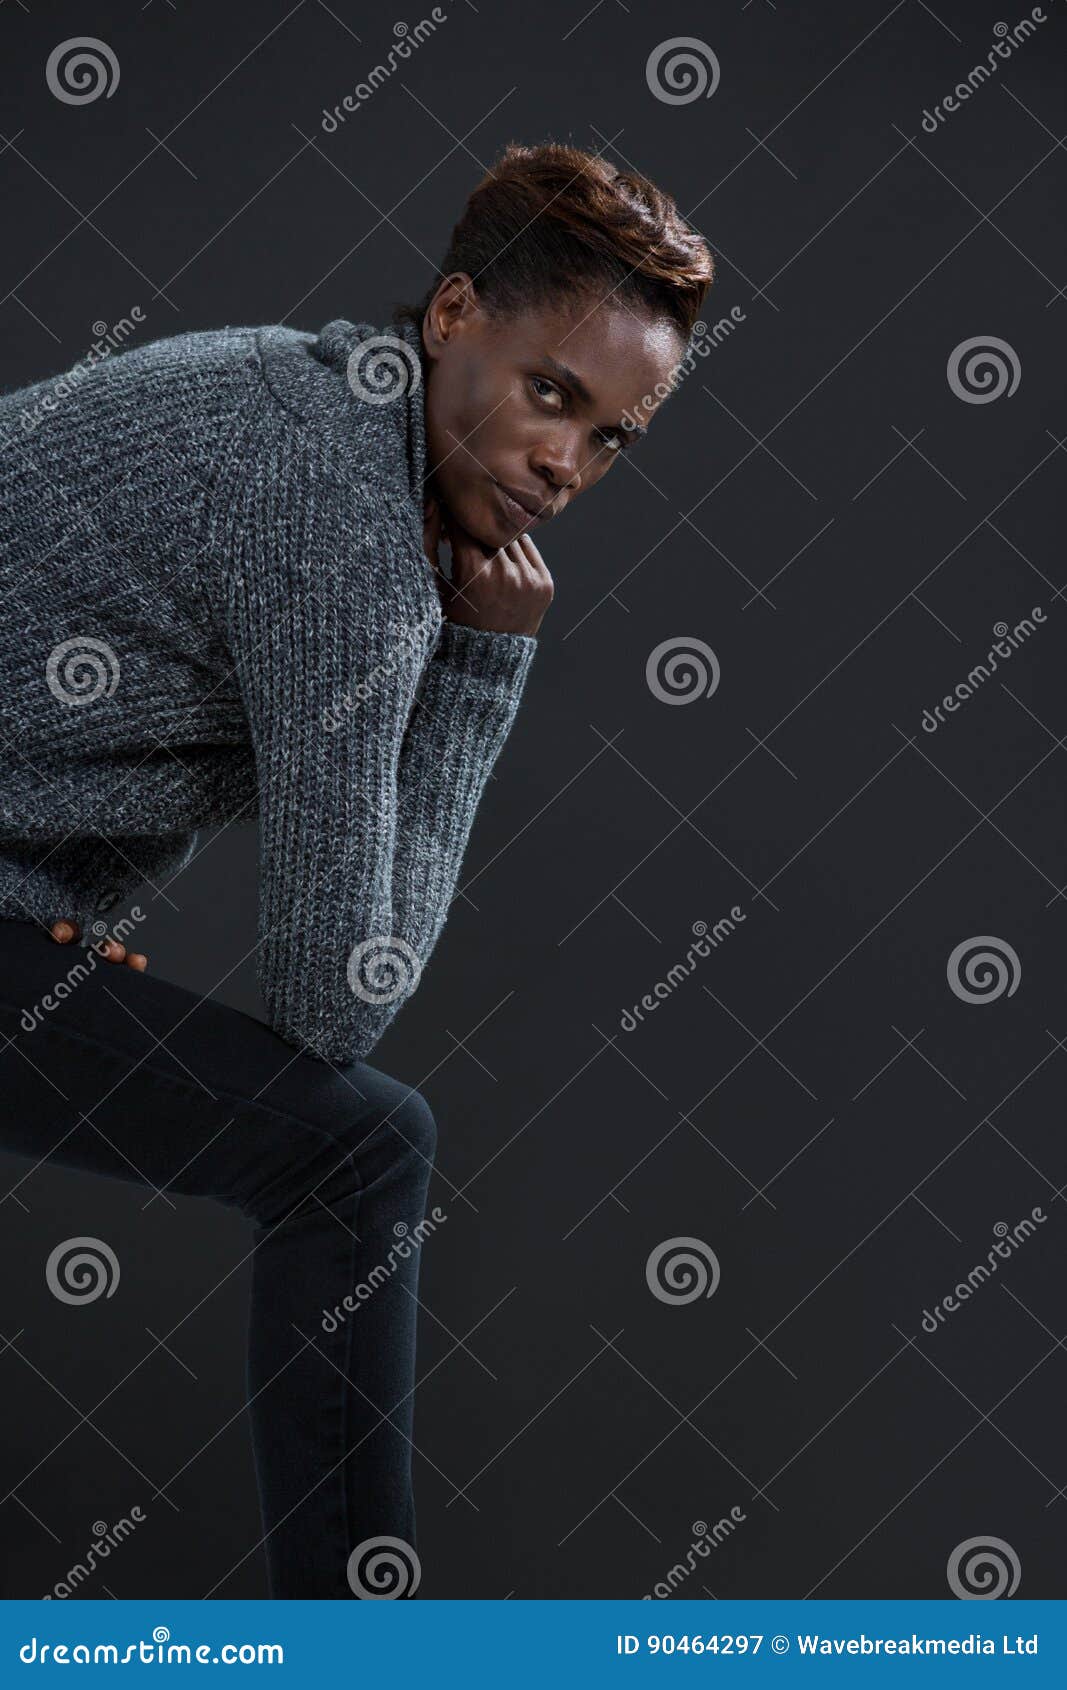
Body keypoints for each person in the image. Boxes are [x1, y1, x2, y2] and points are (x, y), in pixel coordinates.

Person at [0, 140, 714, 1598]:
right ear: (452, 316)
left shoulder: (311, 394)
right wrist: (480, 675)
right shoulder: (348, 522)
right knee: (356, 1145)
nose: (563, 466)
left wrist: (45, 919)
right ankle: (360, 1647)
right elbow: (339, 1001)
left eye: (608, 438)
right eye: (551, 395)